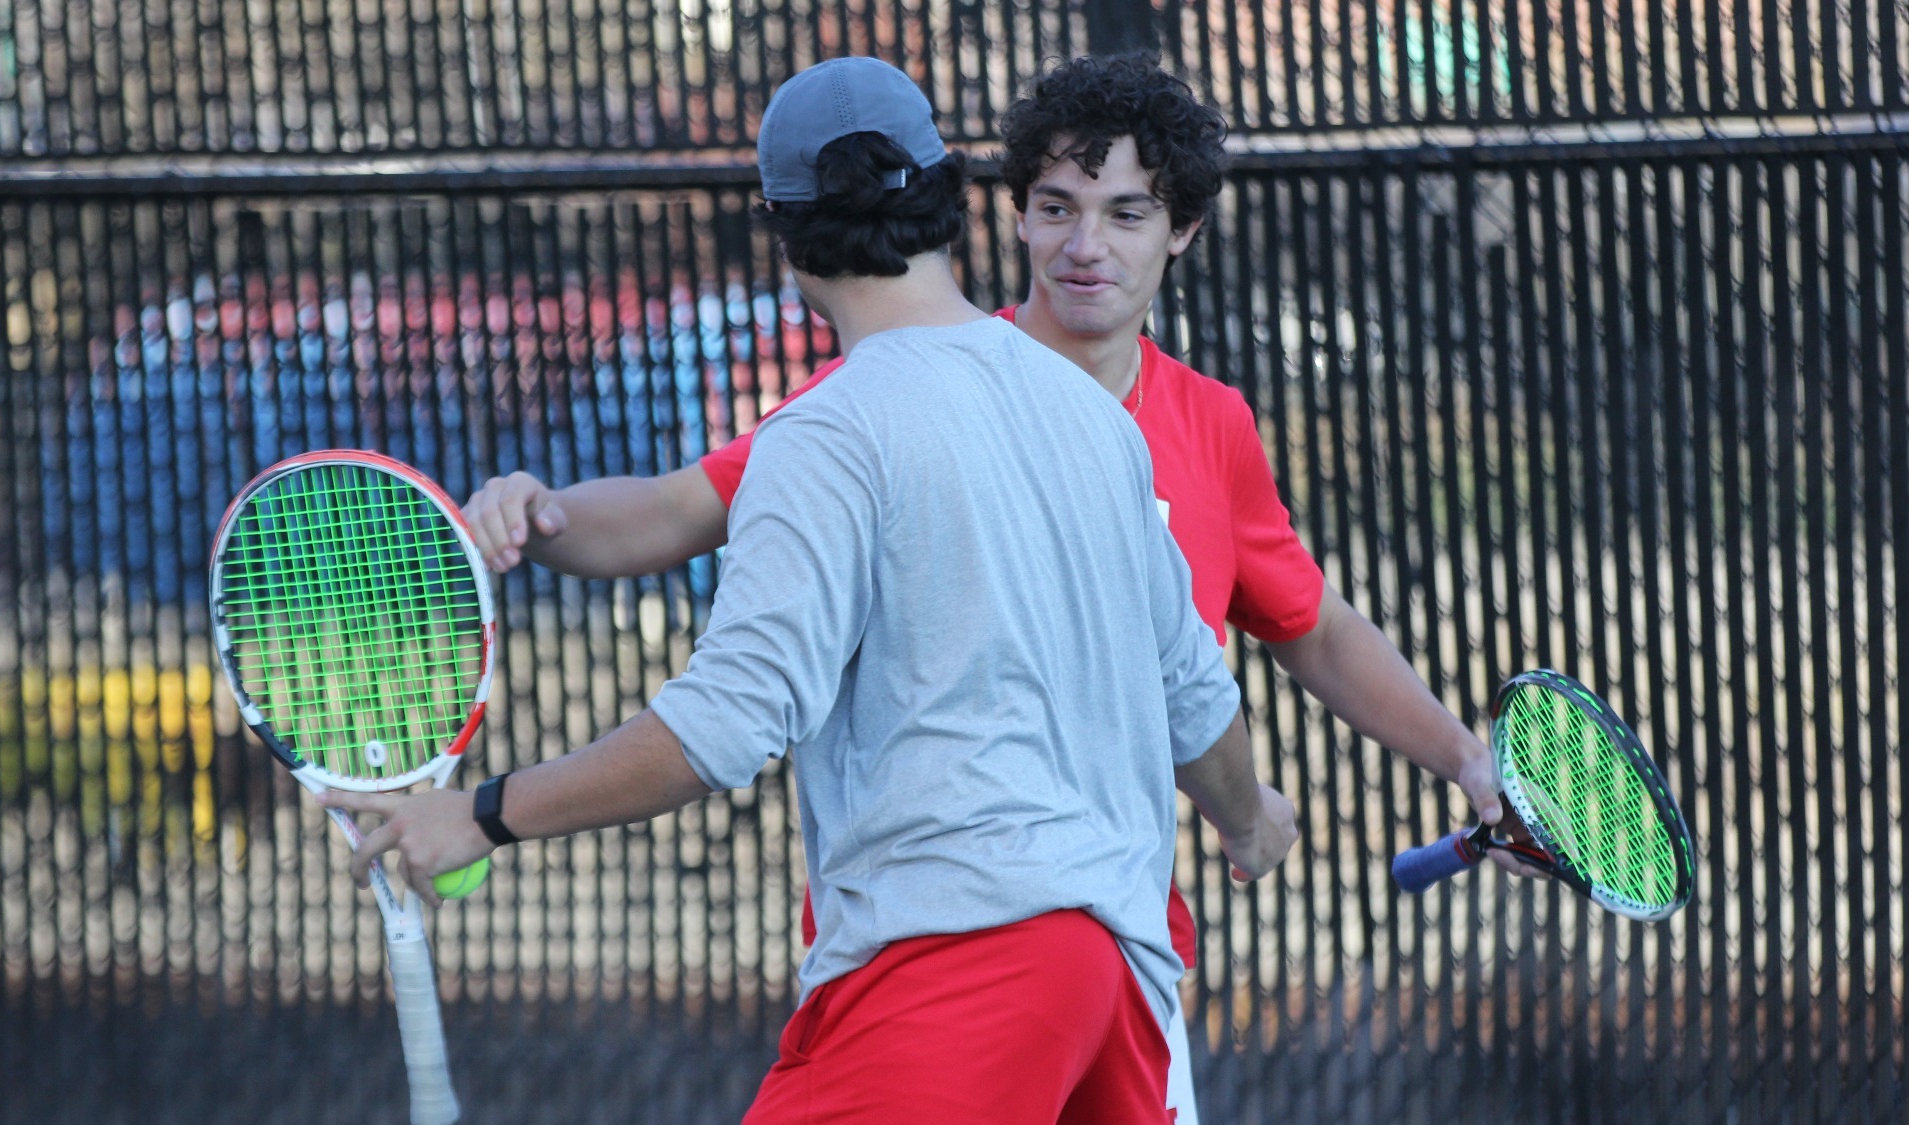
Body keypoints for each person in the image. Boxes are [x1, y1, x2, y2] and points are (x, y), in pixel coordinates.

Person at [458, 54, 1535, 1122]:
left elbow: (1294, 636)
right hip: (1036, 961)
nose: (1084, 245)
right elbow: (672, 510)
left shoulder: (1176, 428)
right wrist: (538, 514)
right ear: (994, 212)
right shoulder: (878, 415)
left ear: (1181, 231)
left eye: (1123, 213)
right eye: (1058, 206)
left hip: (1033, 958)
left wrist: (1436, 763)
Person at [325, 56, 1296, 1123]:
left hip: (957, 972)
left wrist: (483, 815)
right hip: (1120, 991)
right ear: (955, 200)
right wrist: (1246, 822)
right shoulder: (1095, 422)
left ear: (782, 232)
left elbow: (726, 724)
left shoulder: (829, 436)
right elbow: (1193, 695)